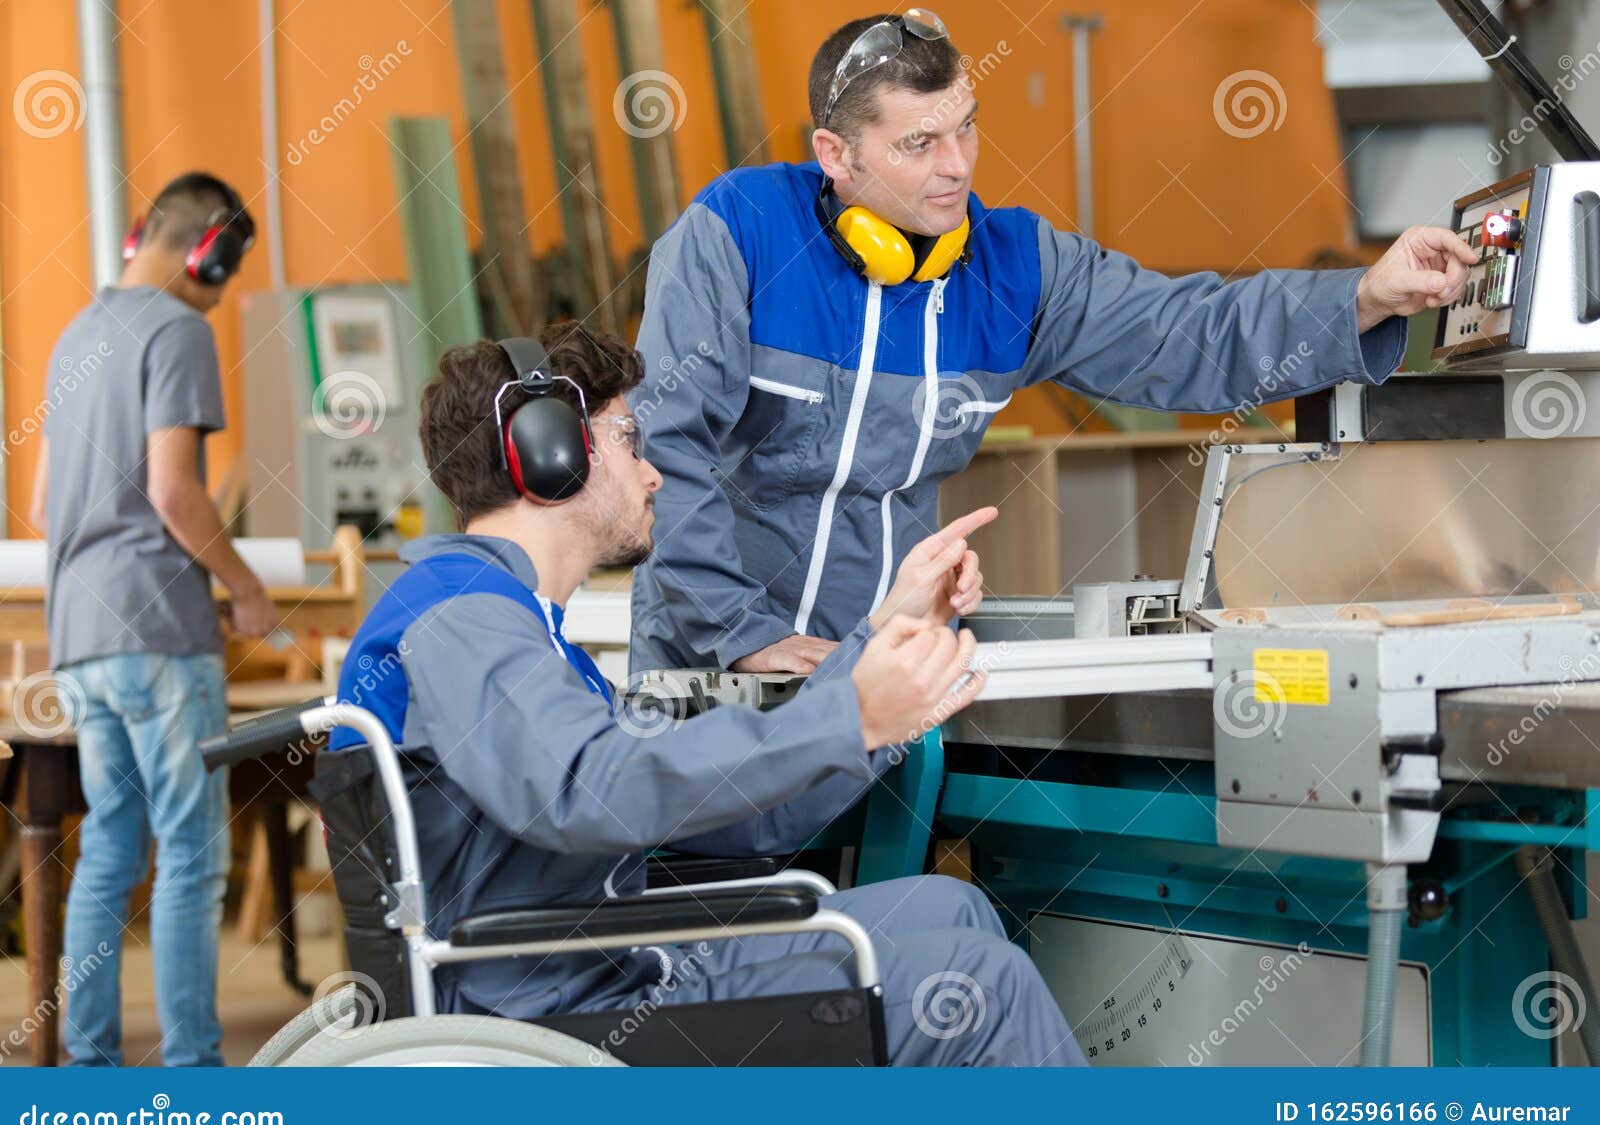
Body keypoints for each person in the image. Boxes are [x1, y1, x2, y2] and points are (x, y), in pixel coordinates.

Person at [629, 8, 1478, 676]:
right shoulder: (736, 237)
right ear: (835, 156)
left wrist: (1362, 296)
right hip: (712, 691)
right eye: (919, 143)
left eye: (965, 127)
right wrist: (739, 639)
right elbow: (665, 451)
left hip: (881, 683)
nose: (957, 165)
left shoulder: (1015, 267)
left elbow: (1187, 330)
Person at [327, 321, 1086, 1066]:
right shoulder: (461, 612)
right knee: (983, 985)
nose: (653, 473)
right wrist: (847, 715)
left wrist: (880, 639)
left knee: (951, 906)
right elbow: (590, 788)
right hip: (552, 1019)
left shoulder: (525, 632)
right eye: (629, 439)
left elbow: (710, 818)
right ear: (549, 455)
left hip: (611, 966)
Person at [35, 172, 277, 1066]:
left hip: (81, 635)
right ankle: (192, 1070)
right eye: (225, 272)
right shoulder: (177, 331)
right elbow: (175, 492)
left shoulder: (74, 337)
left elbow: (39, 501)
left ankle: (88, 1068)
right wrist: (245, 586)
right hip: (159, 631)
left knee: (109, 845)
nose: (219, 297)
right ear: (209, 247)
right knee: (191, 852)